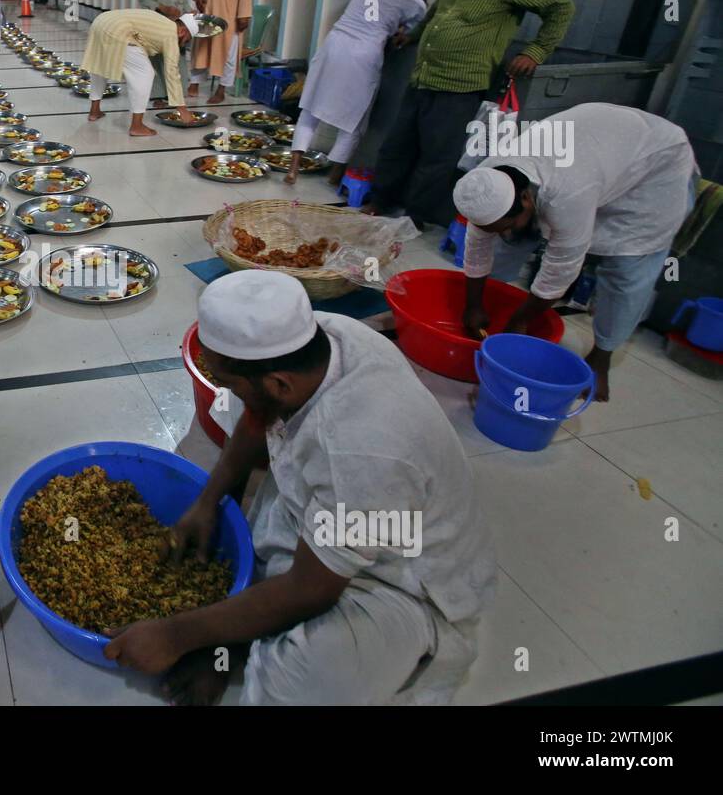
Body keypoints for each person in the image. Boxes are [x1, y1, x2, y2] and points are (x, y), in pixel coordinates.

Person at [104, 270, 496, 705]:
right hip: (346, 511)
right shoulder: (324, 338)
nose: (226, 392)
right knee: (253, 550)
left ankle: (249, 639)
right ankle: (235, 629)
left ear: (279, 384)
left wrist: (179, 636)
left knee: (299, 682)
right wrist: (209, 501)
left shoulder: (362, 451)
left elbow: (312, 590)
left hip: (404, 577)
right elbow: (259, 414)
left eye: (229, 383)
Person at [453, 104, 699, 403]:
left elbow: (561, 266)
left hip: (653, 165)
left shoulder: (565, 193)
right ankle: (495, 307)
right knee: (513, 239)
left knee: (627, 267)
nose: (501, 230)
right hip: (599, 156)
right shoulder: (486, 183)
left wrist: (521, 321)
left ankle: (602, 356)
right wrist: (473, 303)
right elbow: (477, 244)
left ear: (526, 198)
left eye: (507, 222)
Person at [364, 0, 575, 228]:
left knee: (436, 157)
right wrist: (412, 37)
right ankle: (380, 201)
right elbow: (436, 13)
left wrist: (536, 51)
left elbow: (561, 8)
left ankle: (415, 218)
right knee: (397, 145)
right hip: (423, 78)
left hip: (461, 85)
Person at [287, 0, 450, 189]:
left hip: (335, 43)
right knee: (353, 122)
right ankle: (334, 176)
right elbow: (404, 36)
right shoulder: (416, 3)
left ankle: (293, 169)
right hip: (364, 53)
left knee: (310, 109)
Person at [82, 8, 199, 136]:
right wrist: (182, 109)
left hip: (101, 21)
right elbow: (172, 73)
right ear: (182, 31)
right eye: (187, 40)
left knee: (100, 65)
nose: (184, 44)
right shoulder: (171, 36)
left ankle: (94, 111)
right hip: (119, 31)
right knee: (145, 74)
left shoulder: (165, 23)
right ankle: (136, 126)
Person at [138, 0, 193, 108]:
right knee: (157, 60)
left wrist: (189, 11)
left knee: (177, 59)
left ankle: (176, 94)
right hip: (157, 22)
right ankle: (158, 96)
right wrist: (162, 7)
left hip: (176, 25)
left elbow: (182, 0)